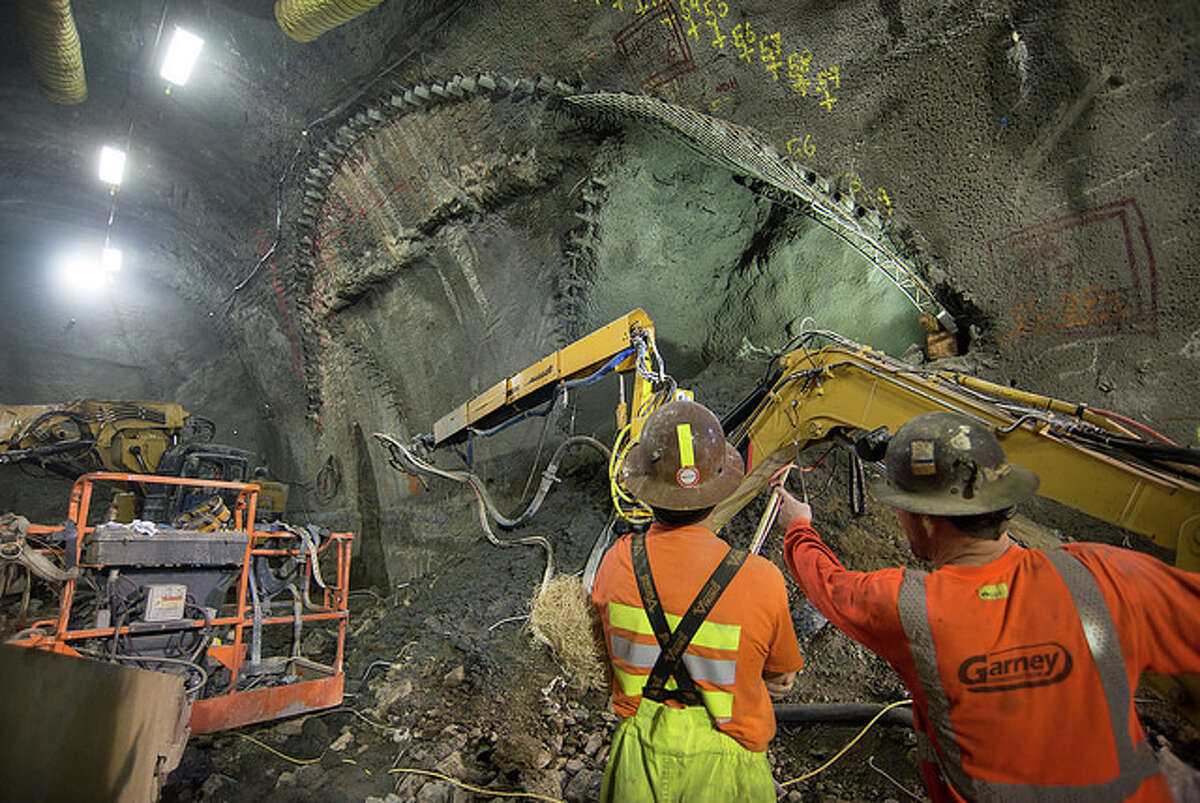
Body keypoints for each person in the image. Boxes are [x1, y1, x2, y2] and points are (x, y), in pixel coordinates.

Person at [777, 411, 1200, 802]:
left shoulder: (906, 608)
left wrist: (798, 527)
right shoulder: (1103, 575)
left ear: (924, 518)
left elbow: (829, 585)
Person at [591, 399, 804, 802]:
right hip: (730, 772)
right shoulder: (761, 579)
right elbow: (781, 678)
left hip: (639, 764)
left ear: (646, 490)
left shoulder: (616, 562)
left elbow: (608, 648)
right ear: (722, 486)